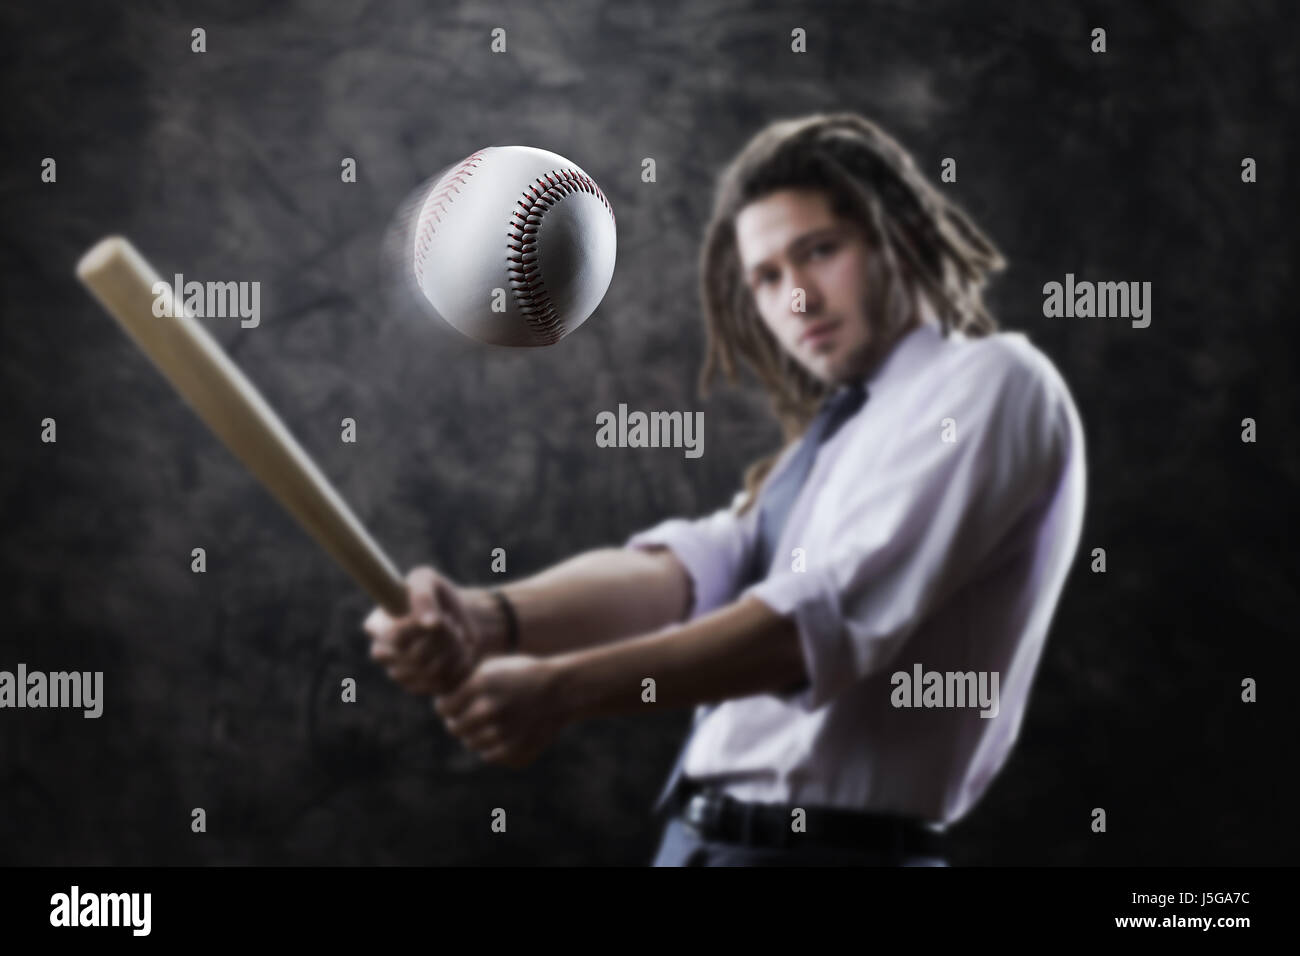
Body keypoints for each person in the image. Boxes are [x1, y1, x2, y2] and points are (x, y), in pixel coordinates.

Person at [364, 112, 1086, 866]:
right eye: (767, 277)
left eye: (820, 253)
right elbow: (688, 572)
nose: (794, 300)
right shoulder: (836, 438)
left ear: (899, 233)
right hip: (702, 845)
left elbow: (811, 625)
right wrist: (487, 618)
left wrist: (560, 689)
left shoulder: (992, 383)